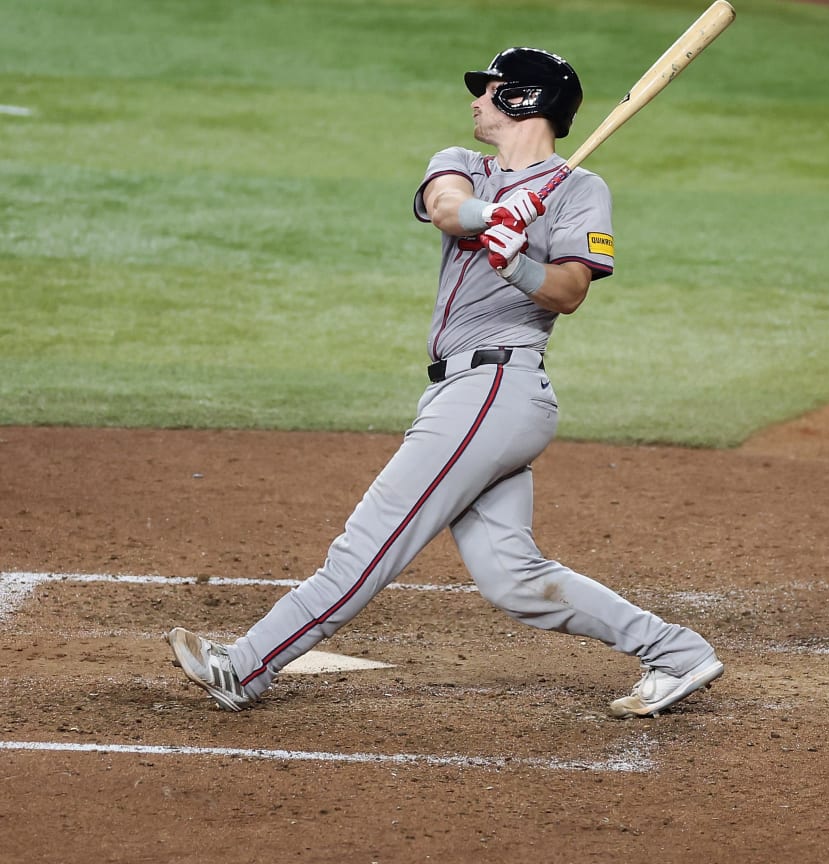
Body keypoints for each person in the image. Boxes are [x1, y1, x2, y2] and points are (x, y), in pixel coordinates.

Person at [165, 46, 723, 720]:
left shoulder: (581, 189)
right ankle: (676, 652)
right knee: (514, 577)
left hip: (496, 389)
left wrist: (520, 265)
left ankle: (246, 666)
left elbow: (570, 290)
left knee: (369, 541)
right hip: (465, 393)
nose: (475, 102)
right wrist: (499, 218)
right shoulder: (461, 163)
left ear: (524, 99)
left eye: (488, 91)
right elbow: (448, 207)